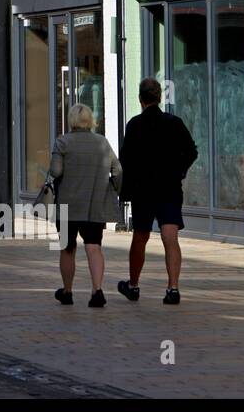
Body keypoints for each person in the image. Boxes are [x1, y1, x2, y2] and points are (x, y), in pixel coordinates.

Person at [118, 77, 199, 305]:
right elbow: (191, 151)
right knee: (170, 237)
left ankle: (133, 285)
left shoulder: (134, 125)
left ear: (141, 99)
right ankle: (173, 288)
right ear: (159, 97)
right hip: (169, 188)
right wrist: (179, 171)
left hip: (143, 191)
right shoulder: (174, 123)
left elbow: (126, 159)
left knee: (140, 237)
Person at [49, 103, 123, 308]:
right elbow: (118, 170)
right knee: (94, 247)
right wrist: (114, 189)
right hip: (94, 203)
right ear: (90, 120)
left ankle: (67, 291)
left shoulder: (62, 142)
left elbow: (55, 171)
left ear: (71, 120)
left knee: (67, 248)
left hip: (66, 205)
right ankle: (97, 290)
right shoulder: (102, 143)